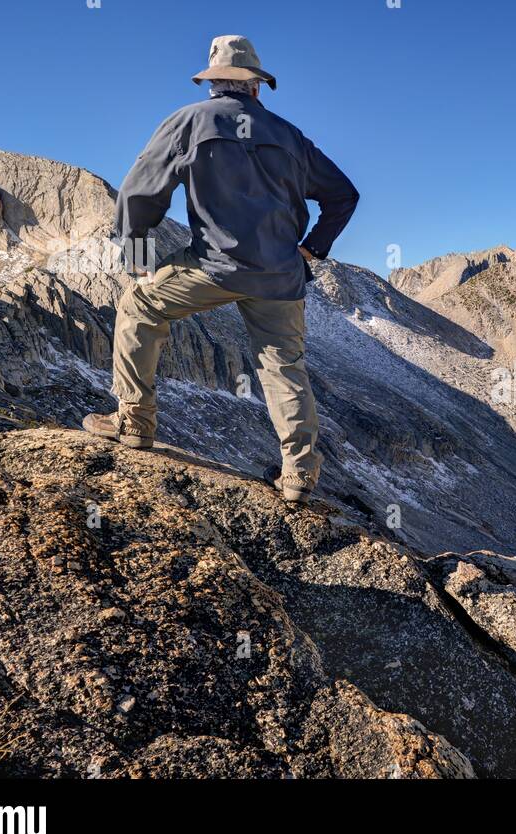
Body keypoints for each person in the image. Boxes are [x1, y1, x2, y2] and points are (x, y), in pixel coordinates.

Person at [82, 35, 358, 503]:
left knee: (139, 306)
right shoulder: (290, 136)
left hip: (212, 266)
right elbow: (343, 195)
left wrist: (141, 261)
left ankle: (134, 423)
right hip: (281, 274)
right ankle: (298, 475)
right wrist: (312, 251)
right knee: (283, 365)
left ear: (212, 84)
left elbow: (137, 194)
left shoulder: (190, 121)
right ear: (256, 86)